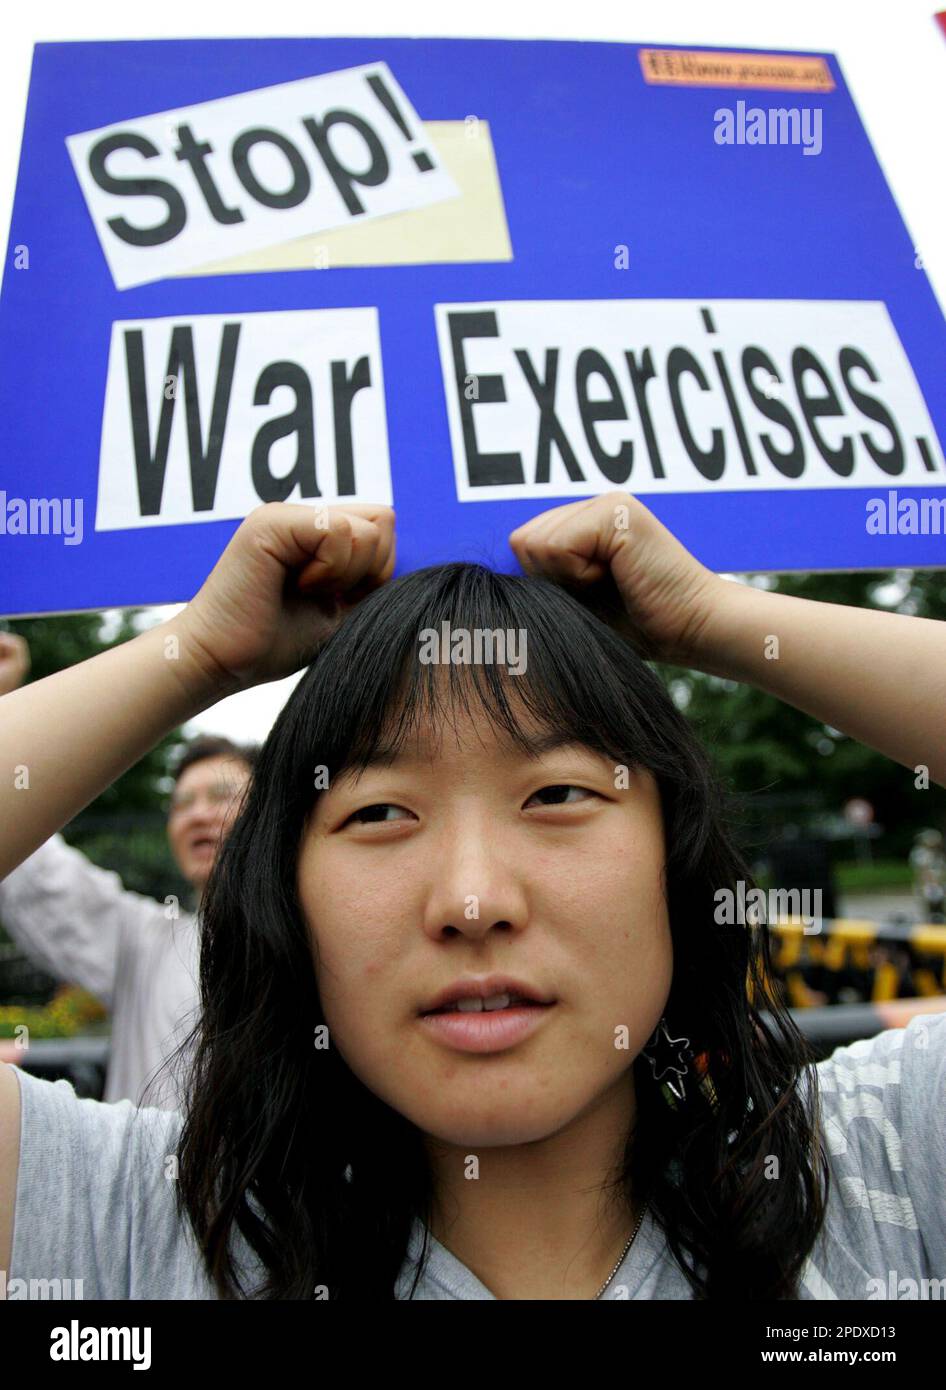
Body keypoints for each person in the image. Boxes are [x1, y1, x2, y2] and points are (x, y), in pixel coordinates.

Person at [0, 492, 944, 1301]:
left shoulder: (876, 1178)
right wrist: (200, 651)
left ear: (675, 858)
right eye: (377, 814)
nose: (473, 899)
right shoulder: (142, 1236)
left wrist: (711, 618)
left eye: (558, 795)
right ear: (284, 897)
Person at [0, 631, 256, 1107]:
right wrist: (8, 707)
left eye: (220, 796)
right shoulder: (142, 939)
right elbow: (35, 865)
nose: (199, 813)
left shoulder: (315, 943)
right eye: (182, 803)